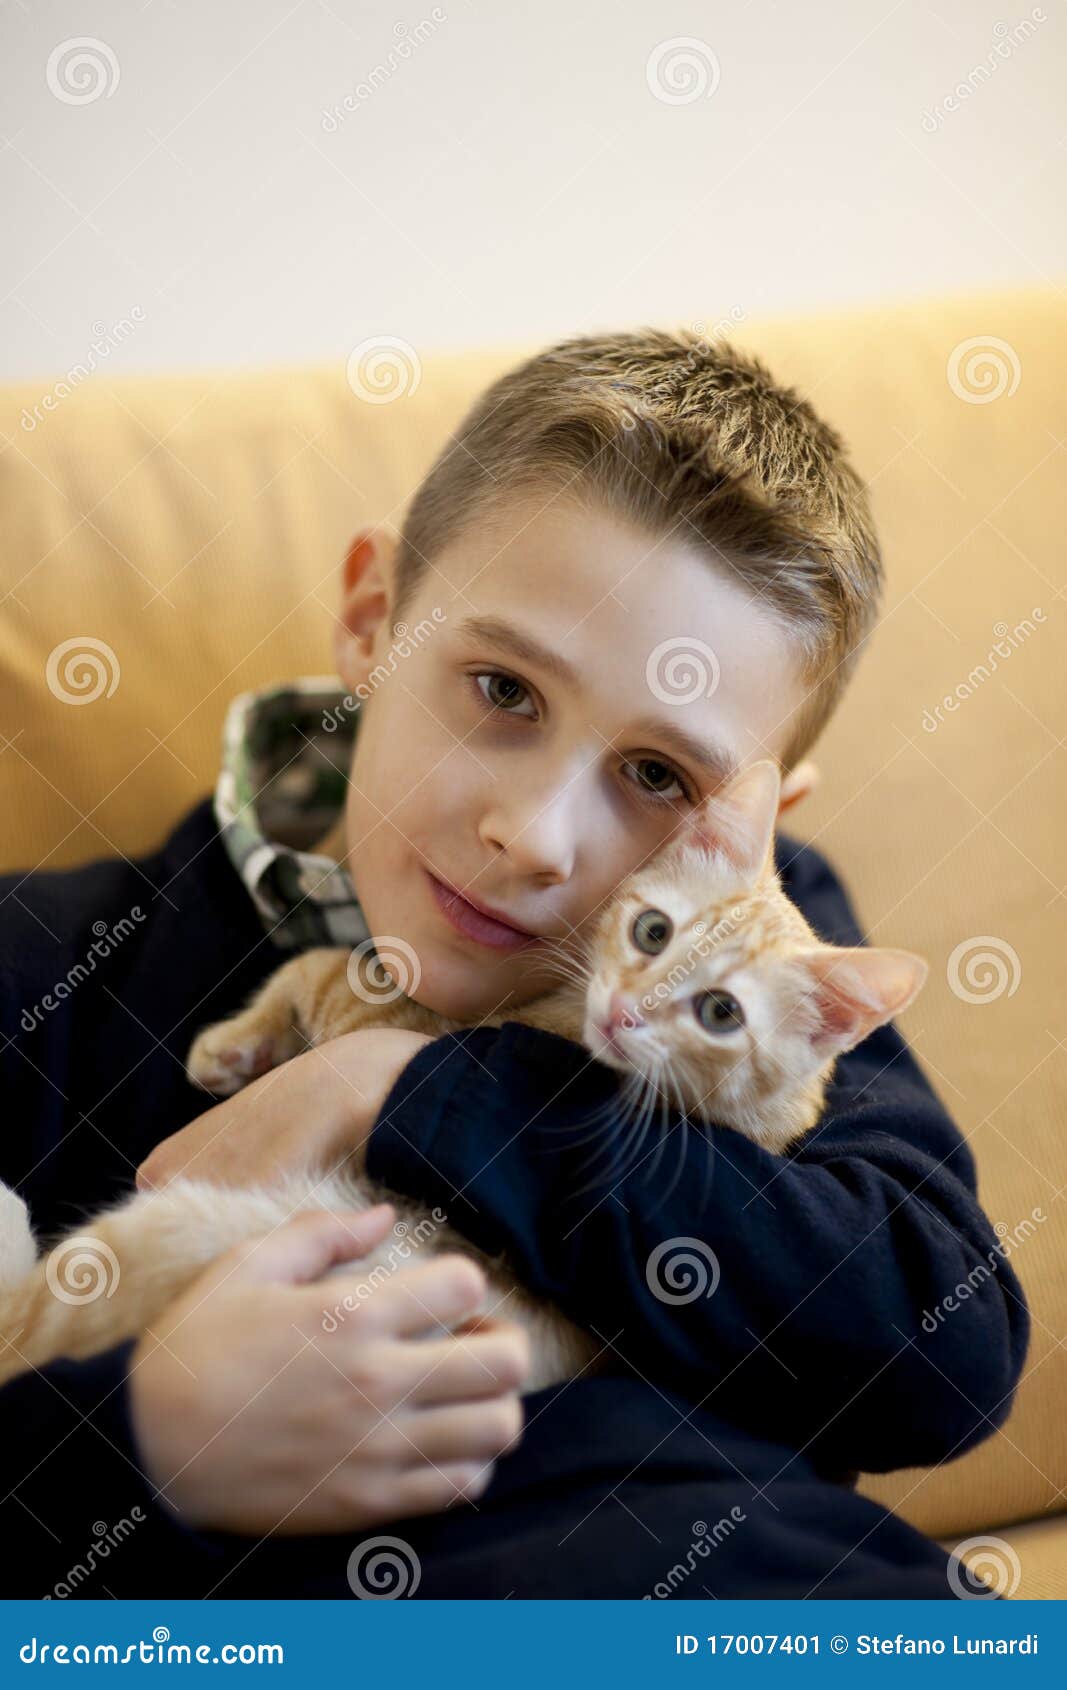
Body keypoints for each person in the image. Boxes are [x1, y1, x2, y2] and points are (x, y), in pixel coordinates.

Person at [0, 330, 1028, 1598]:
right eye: (501, 689)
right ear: (374, 619)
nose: (533, 840)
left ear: (746, 829)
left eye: (658, 777)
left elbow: (942, 1346)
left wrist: (411, 1090)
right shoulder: (43, 969)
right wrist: (143, 1440)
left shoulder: (758, 960)